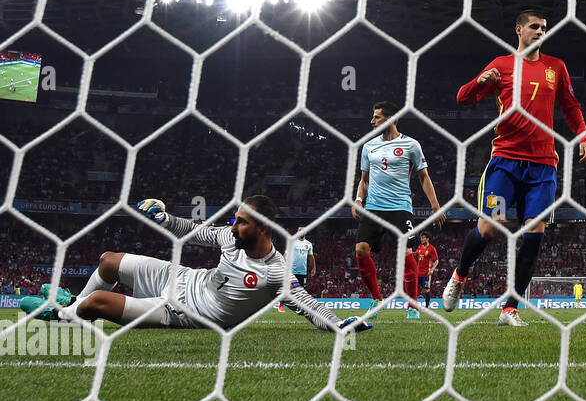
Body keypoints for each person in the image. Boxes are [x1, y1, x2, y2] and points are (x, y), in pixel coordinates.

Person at [22, 197, 368, 336]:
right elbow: (193, 231)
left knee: (98, 305)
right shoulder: (229, 237)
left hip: (182, 311)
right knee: (108, 261)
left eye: (243, 222)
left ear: (263, 228)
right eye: (236, 219)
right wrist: (164, 217)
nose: (235, 226)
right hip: (185, 278)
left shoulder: (276, 272)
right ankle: (69, 304)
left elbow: (308, 306)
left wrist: (340, 325)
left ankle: (61, 317)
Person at [444, 10, 586, 326]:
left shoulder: (556, 67)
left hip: (543, 168)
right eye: (534, 27)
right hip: (506, 164)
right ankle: (459, 276)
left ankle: (509, 309)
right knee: (490, 226)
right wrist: (478, 82)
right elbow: (462, 98)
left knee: (534, 234)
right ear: (519, 30)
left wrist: (584, 136)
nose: (540, 31)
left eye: (544, 28)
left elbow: (571, 106)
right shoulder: (501, 65)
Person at [352, 101, 444, 313]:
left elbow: (424, 177)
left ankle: (412, 305)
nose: (372, 121)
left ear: (390, 119)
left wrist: (435, 205)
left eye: (376, 117)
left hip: (400, 207)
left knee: (406, 253)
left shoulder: (411, 145)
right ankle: (376, 298)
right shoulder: (368, 147)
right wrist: (358, 200)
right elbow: (364, 179)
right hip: (374, 207)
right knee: (360, 250)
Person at [412, 232, 438, 315]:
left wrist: (432, 269)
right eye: (421, 238)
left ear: (427, 239)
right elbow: (416, 254)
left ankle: (427, 307)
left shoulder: (432, 248)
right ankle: (413, 306)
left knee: (427, 289)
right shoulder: (419, 247)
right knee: (414, 289)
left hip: (427, 273)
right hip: (418, 272)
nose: (421, 239)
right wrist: (409, 253)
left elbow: (436, 260)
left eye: (423, 238)